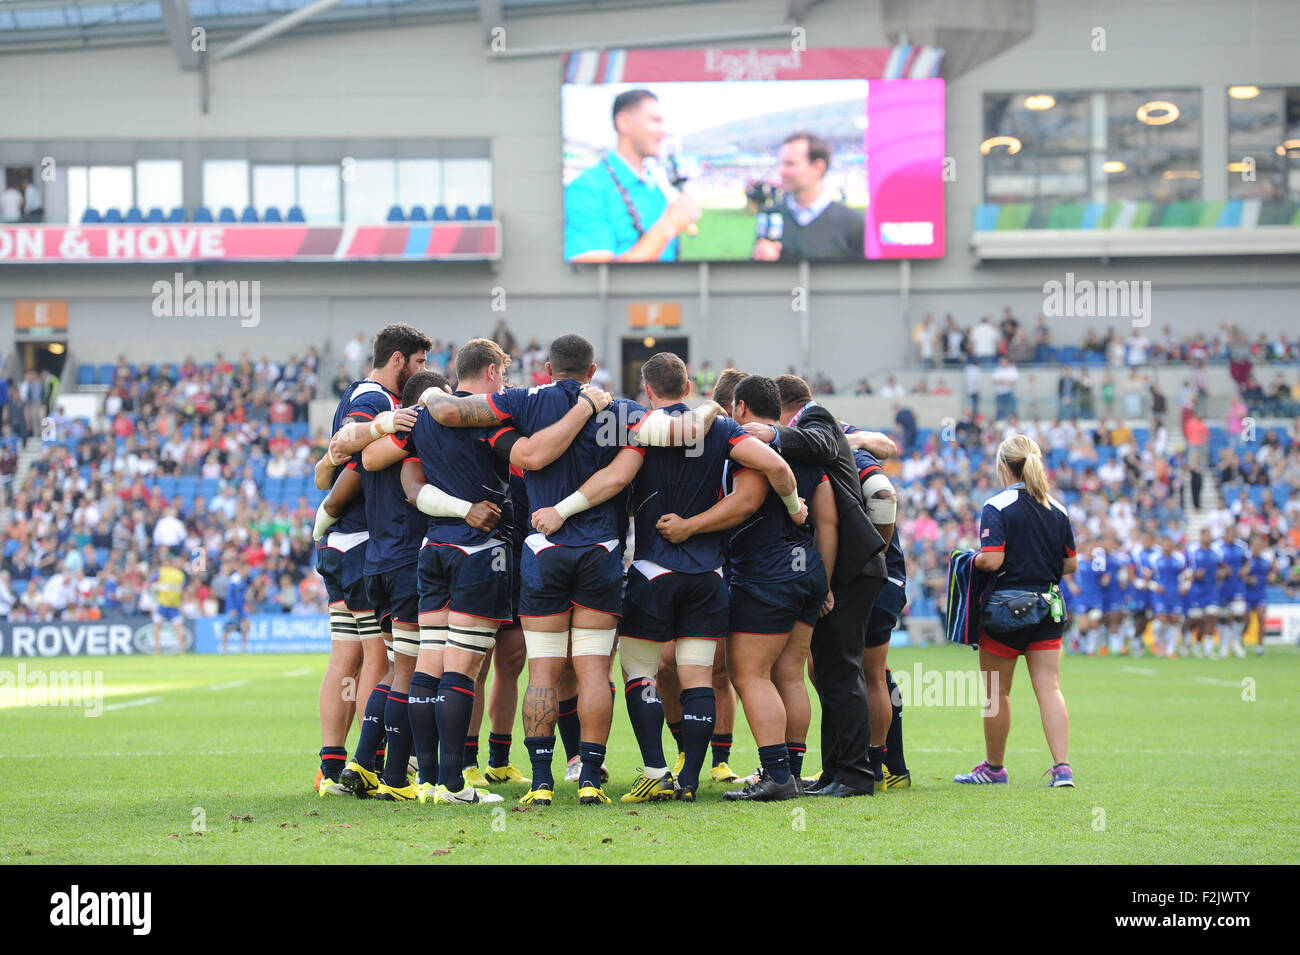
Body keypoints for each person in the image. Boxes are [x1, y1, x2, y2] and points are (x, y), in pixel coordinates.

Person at [420, 334, 719, 804]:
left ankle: (541, 783)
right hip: (600, 550)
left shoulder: (520, 400)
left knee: (542, 671)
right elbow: (682, 435)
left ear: (548, 369)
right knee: (594, 670)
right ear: (592, 370)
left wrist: (430, 393)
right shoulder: (620, 410)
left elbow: (449, 412)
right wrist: (711, 409)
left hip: (541, 548)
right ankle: (588, 779)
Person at [534, 358, 803, 803]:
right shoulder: (719, 429)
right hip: (709, 573)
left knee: (640, 671)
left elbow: (616, 478)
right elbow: (777, 468)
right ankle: (692, 781)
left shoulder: (643, 426)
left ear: (647, 390)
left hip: (654, 569)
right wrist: (795, 508)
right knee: (697, 676)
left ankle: (657, 771)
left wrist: (560, 511)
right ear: (688, 384)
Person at [740, 374, 887, 797]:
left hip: (852, 568)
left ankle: (856, 775)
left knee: (841, 670)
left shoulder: (816, 419)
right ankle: (834, 771)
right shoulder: (808, 427)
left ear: (786, 409)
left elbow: (822, 444)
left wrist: (771, 432)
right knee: (827, 672)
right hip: (841, 567)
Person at [310, 324, 426, 796]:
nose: (422, 373)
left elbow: (330, 461)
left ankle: (333, 766)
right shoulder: (376, 398)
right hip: (363, 541)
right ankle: (368, 763)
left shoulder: (364, 395)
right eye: (418, 363)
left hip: (342, 543)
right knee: (379, 657)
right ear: (398, 360)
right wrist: (332, 505)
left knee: (347, 657)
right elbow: (349, 455)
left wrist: (325, 494)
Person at [955, 435, 1078, 788]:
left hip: (1005, 612)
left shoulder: (997, 505)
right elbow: (1070, 564)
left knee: (997, 692)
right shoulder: (1058, 508)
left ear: (1003, 467)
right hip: (1048, 608)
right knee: (1050, 688)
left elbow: (992, 559)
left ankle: (994, 768)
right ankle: (1062, 768)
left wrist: (968, 559)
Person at [564, 89, 699, 262]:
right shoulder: (586, 189)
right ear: (624, 123)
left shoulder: (653, 185)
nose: (662, 131)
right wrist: (670, 225)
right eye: (655, 120)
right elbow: (593, 279)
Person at [751, 132, 864, 262]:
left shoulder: (852, 223)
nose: (781, 171)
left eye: (790, 164)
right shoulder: (771, 216)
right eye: (781, 163)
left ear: (817, 167)